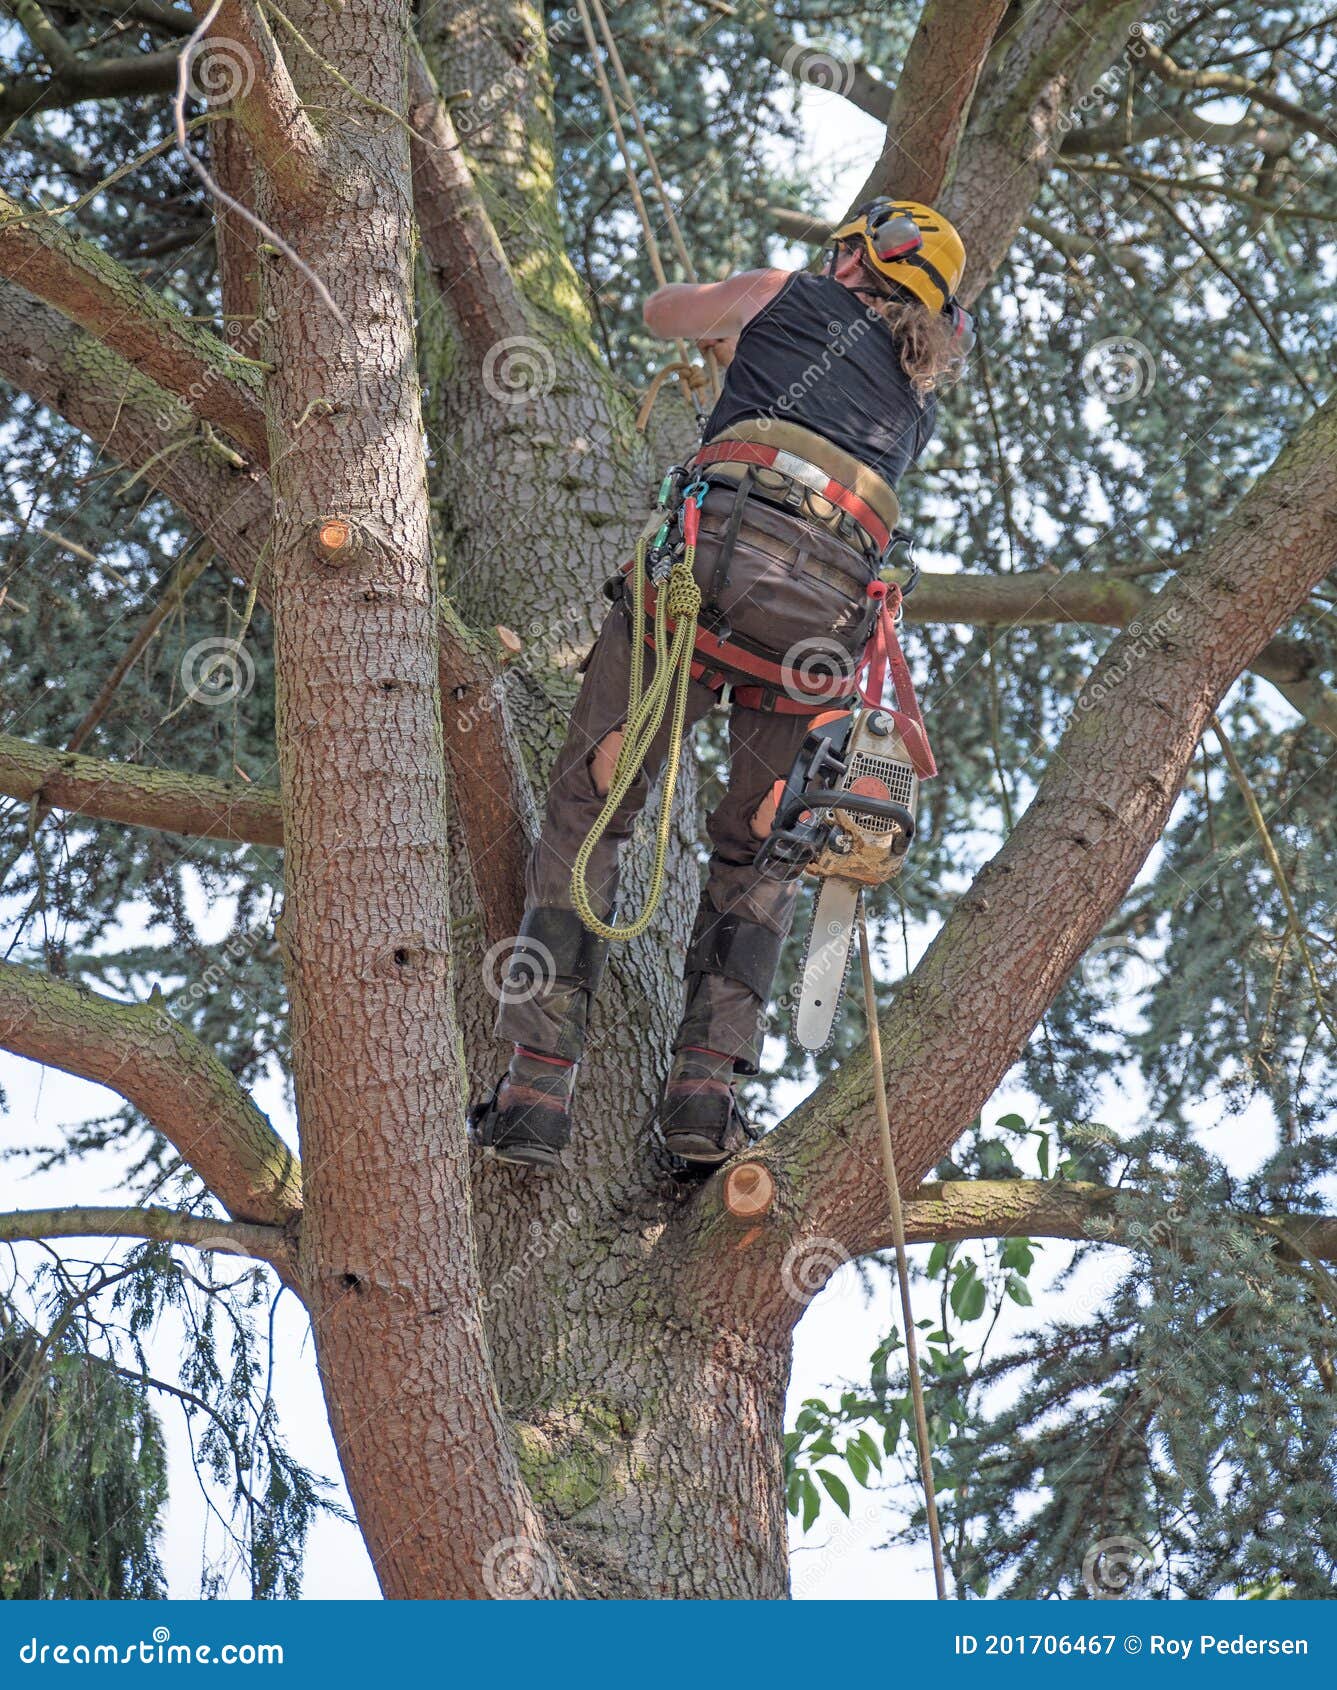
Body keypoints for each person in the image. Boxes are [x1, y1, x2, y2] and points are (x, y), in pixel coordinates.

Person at [471, 199, 972, 1171]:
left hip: (703, 578)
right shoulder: (915, 397)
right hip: (819, 629)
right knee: (756, 848)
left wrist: (732, 323)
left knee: (596, 799)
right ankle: (703, 1094)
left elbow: (665, 311)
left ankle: (537, 1082)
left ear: (852, 258)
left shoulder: (784, 296)